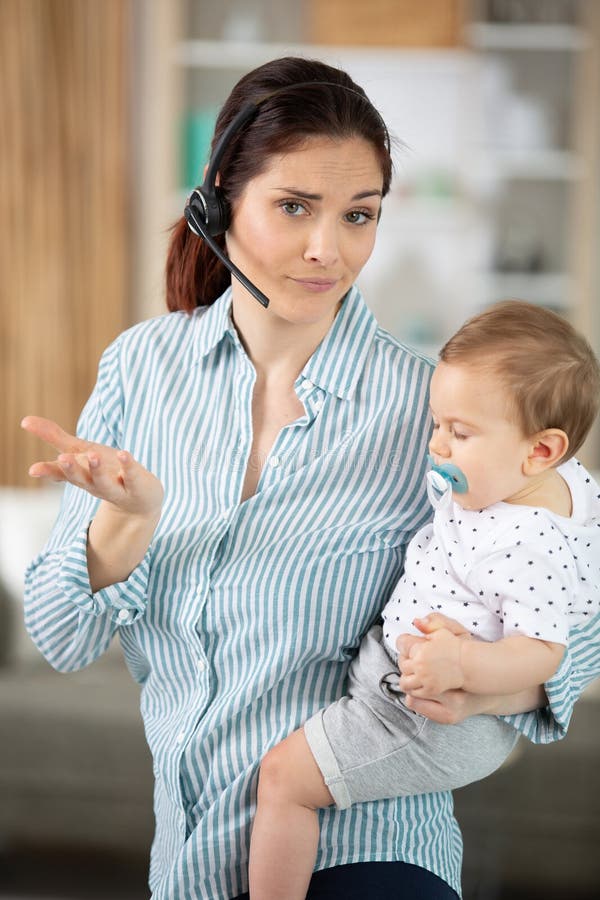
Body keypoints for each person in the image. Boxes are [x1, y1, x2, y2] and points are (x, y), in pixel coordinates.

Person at [21, 56, 600, 900]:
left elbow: (574, 601)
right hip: (195, 860)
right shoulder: (142, 367)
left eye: (358, 215)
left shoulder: (429, 410)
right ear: (221, 196)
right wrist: (127, 525)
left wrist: (478, 683)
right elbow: (60, 637)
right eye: (294, 207)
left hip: (368, 845)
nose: (329, 250)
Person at [247, 300, 600, 899]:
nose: (436, 444)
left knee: (282, 779)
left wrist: (462, 668)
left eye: (458, 432)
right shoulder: (548, 482)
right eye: (437, 422)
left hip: (420, 714)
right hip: (414, 687)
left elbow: (543, 652)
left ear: (540, 450)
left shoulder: (527, 541)